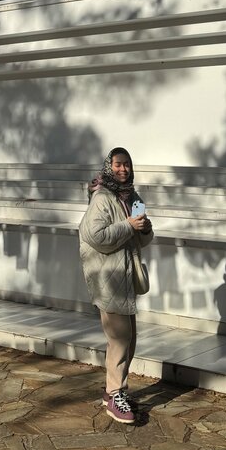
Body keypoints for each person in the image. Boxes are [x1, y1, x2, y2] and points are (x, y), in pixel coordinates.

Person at [78, 147, 154, 424]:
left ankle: (115, 390)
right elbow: (95, 236)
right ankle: (114, 394)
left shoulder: (131, 196)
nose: (123, 169)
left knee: (128, 338)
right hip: (108, 276)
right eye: (118, 164)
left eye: (127, 165)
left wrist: (144, 228)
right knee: (119, 338)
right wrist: (128, 226)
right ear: (110, 166)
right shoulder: (102, 198)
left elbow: (140, 237)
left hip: (124, 276)